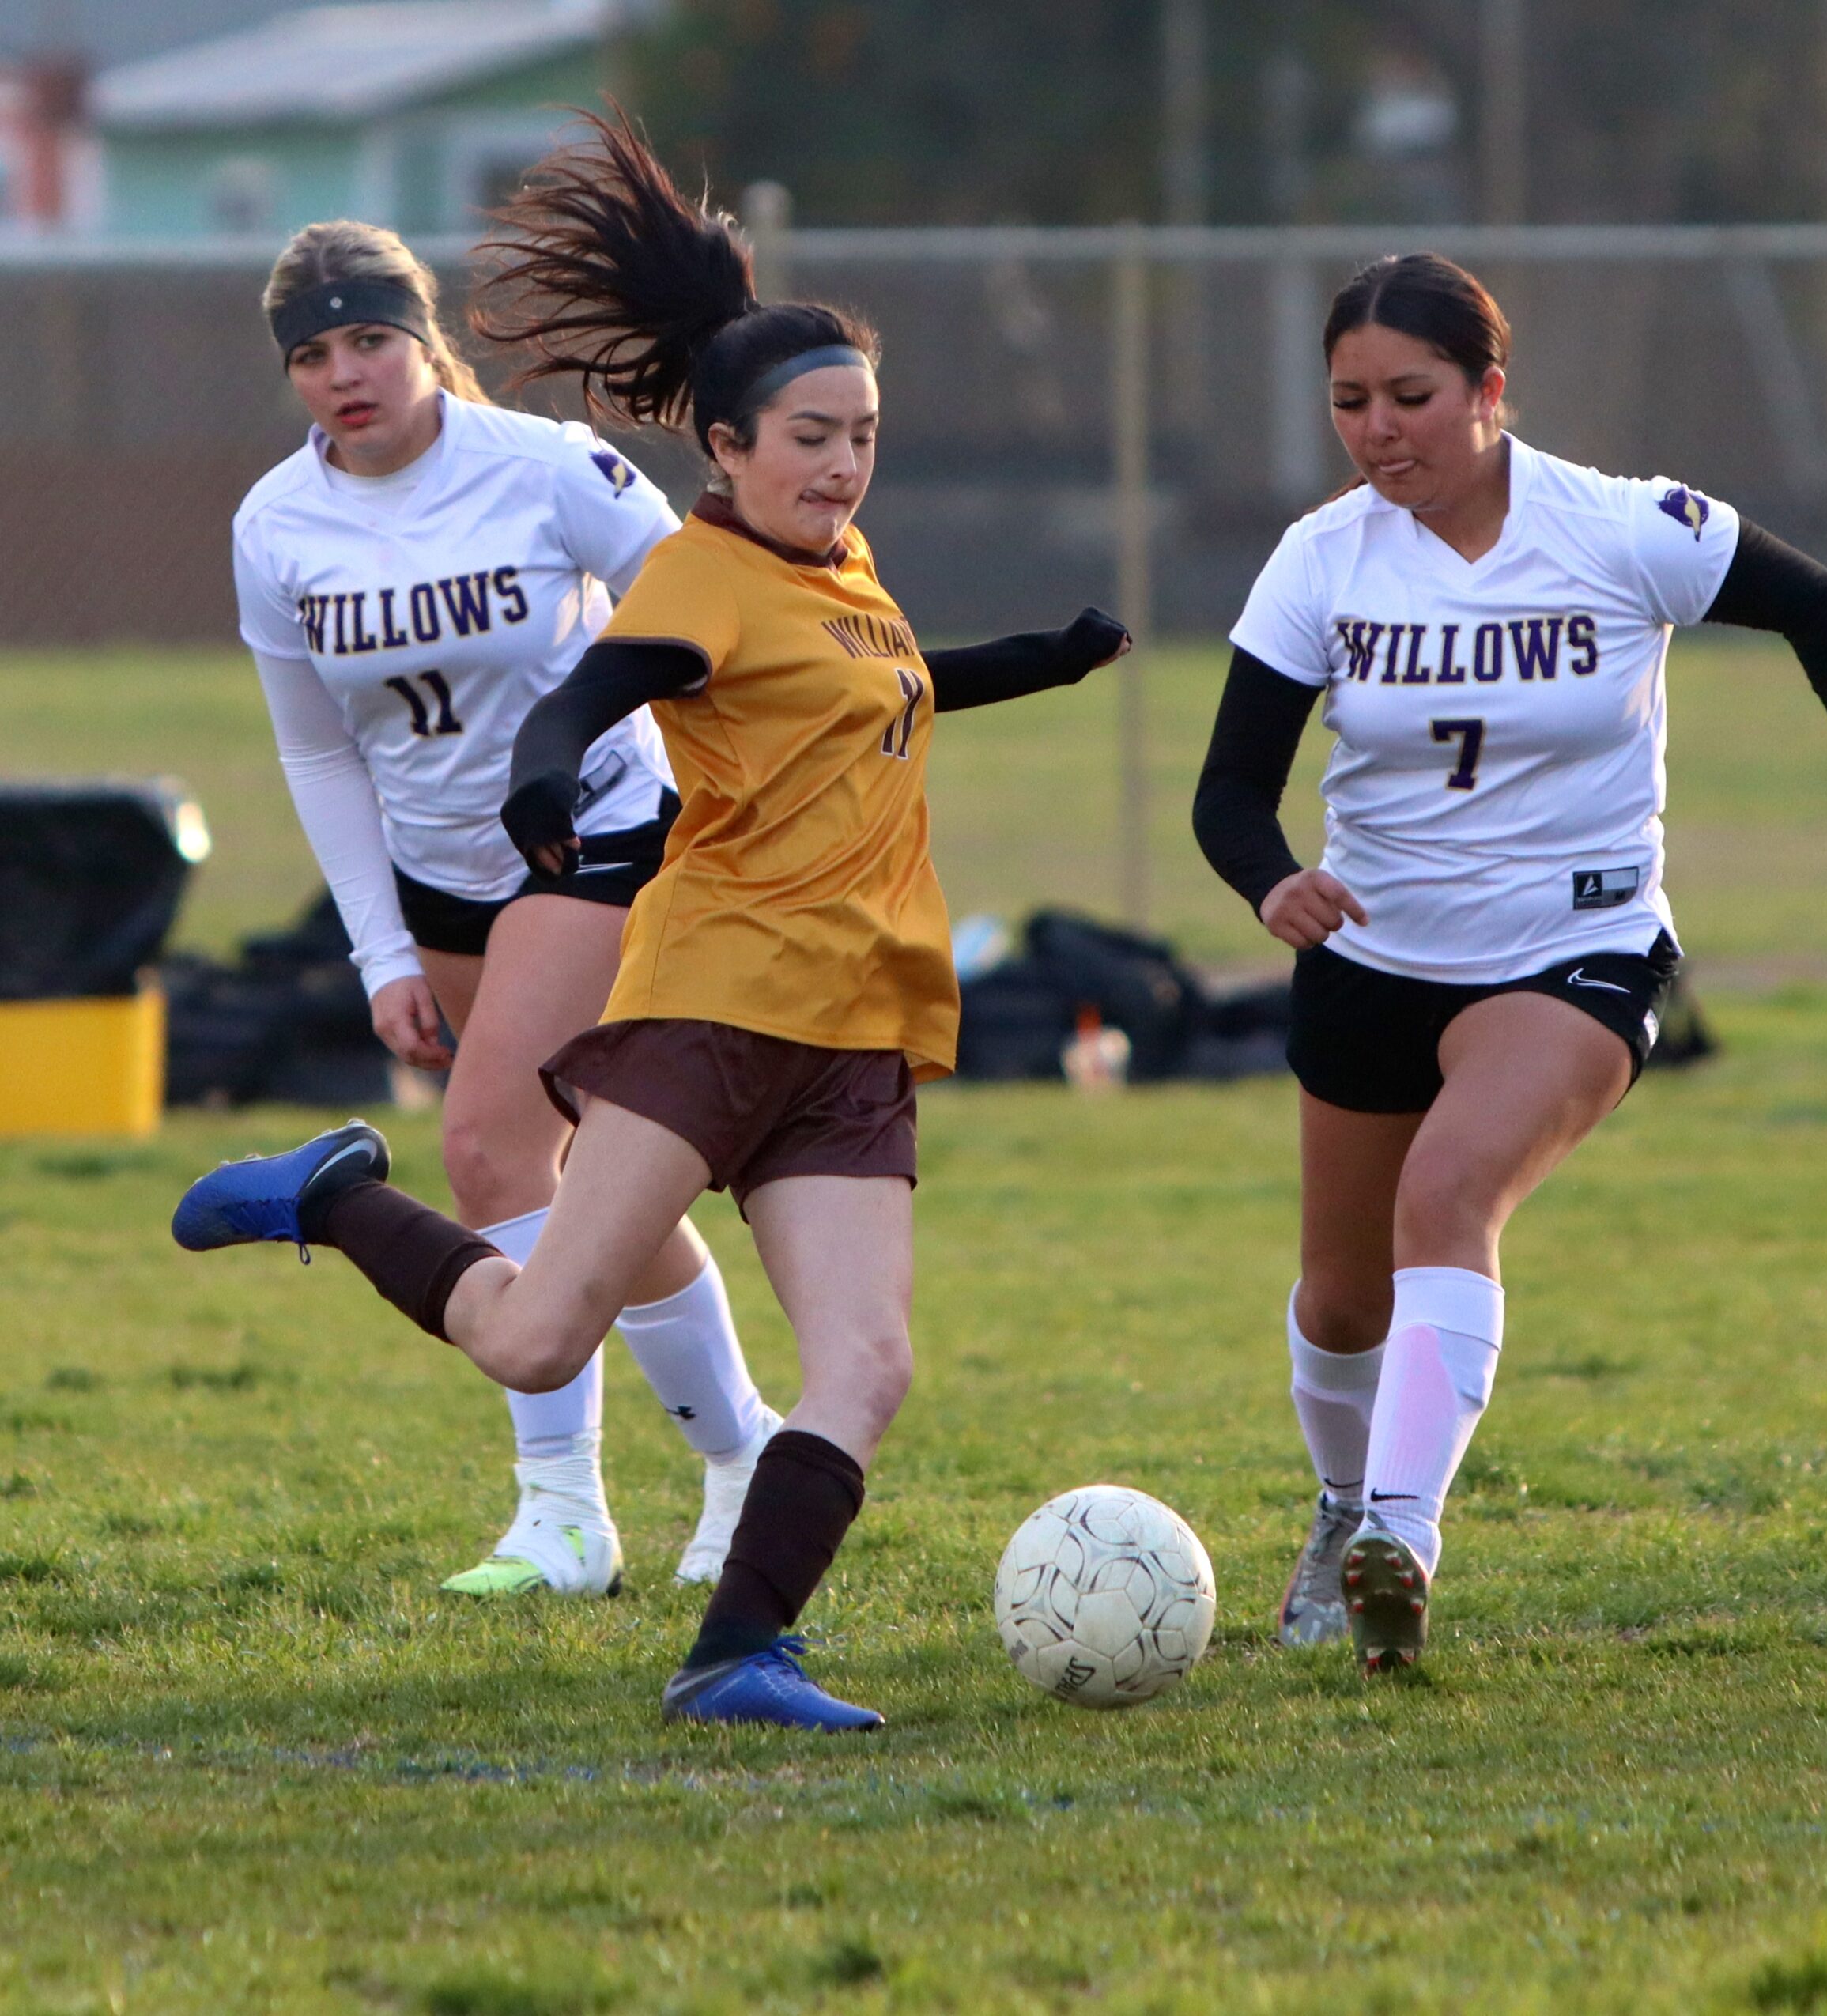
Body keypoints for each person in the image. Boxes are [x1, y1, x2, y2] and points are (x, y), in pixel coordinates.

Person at [176, 111, 1132, 1731]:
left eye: (862, 436)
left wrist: (1044, 655)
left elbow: (881, 681)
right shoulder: (690, 571)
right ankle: (340, 1203)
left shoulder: (836, 574)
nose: (839, 463)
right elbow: (600, 689)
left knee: (871, 1369)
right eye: (811, 436)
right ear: (733, 453)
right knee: (538, 1330)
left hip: (849, 1020)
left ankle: (736, 1653)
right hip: (712, 1000)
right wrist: (539, 792)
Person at [1192, 252, 1827, 1674]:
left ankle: (1397, 1537)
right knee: (1342, 1301)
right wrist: (1273, 879)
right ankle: (1342, 1502)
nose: (1378, 429)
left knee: (1451, 1190)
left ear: (1491, 390)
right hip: (1374, 959)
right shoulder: (1322, 557)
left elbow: (1818, 601)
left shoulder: (1617, 525)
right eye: (1350, 401)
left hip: (1578, 948)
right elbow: (1231, 788)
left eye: (1411, 395)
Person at [231, 219, 780, 1600]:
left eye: (370, 338)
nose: (345, 373)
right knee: (600, 1180)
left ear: (427, 341)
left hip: (595, 832)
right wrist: (377, 948)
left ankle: (562, 1514)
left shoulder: (539, 469)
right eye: (312, 353)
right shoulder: (273, 523)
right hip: (443, 878)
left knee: (486, 1154)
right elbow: (318, 751)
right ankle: (746, 1455)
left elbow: (707, 599)